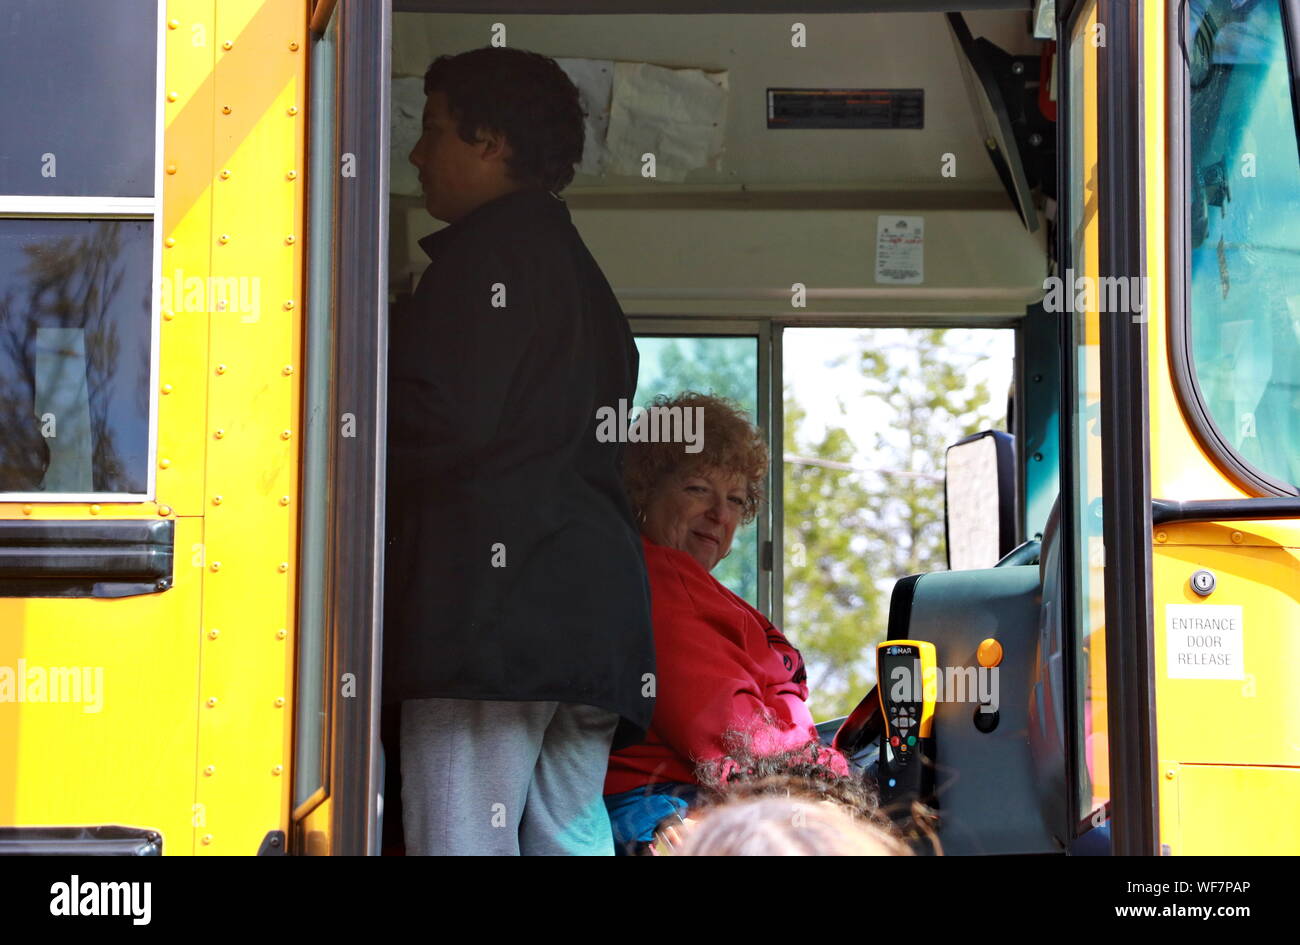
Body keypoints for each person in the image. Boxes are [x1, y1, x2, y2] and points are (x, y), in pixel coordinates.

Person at [384, 47, 654, 856]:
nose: (415, 154)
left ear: (491, 141)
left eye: (434, 131)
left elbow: (444, 418)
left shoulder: (482, 261)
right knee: (570, 845)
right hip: (591, 629)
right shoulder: (586, 281)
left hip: (490, 631)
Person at [603, 391, 850, 853]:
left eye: (735, 499)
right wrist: (836, 791)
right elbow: (728, 731)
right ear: (643, 489)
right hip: (665, 805)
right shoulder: (660, 579)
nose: (720, 514)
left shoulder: (690, 585)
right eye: (698, 489)